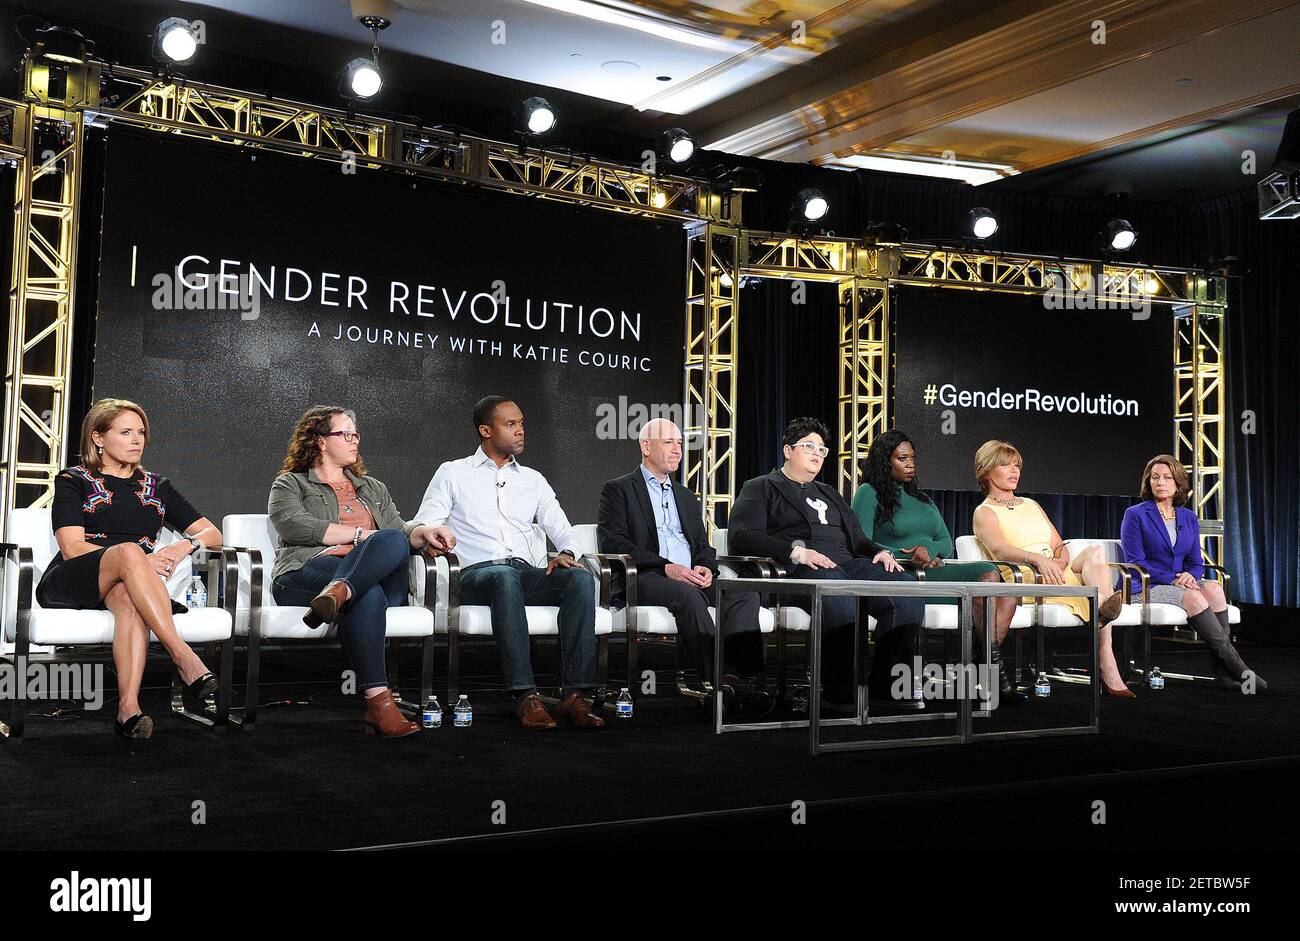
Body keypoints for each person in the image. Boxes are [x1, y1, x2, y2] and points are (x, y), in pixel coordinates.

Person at [38, 398, 223, 740]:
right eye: (125, 432)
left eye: (140, 432)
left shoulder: (157, 486)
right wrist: (138, 559)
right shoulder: (73, 480)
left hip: (131, 582)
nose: (137, 440)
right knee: (129, 553)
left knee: (129, 599)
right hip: (74, 577)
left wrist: (184, 546)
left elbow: (212, 534)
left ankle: (128, 710)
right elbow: (72, 547)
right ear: (98, 438)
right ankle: (182, 654)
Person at [415, 395, 605, 730]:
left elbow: (565, 531)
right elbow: (426, 520)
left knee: (579, 580)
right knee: (503, 575)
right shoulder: (453, 473)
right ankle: (524, 695)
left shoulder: (533, 480)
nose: (520, 431)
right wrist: (433, 532)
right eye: (510, 424)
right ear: (486, 430)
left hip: (522, 572)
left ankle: (575, 695)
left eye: (521, 423)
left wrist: (567, 554)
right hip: (475, 574)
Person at [269, 405, 451, 737]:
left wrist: (422, 532)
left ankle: (340, 591)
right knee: (368, 591)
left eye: (356, 435)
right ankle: (380, 705)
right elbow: (295, 525)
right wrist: (360, 536)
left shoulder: (373, 488)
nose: (355, 441)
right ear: (321, 441)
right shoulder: (291, 485)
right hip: (308, 572)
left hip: (370, 580)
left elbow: (398, 532)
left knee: (393, 539)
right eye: (346, 434)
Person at [729, 417, 925, 712]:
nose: (816, 454)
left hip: (846, 563)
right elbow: (742, 536)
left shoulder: (829, 493)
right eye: (809, 446)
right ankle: (839, 691)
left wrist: (879, 552)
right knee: (838, 589)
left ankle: (887, 684)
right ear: (787, 450)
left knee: (907, 589)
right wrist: (796, 552)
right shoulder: (761, 487)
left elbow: (859, 541)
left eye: (822, 450)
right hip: (797, 569)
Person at [597, 417, 770, 715]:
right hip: (647, 576)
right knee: (687, 596)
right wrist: (666, 567)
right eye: (669, 443)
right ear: (646, 446)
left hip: (691, 574)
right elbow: (613, 543)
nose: (677, 450)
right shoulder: (619, 489)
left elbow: (703, 545)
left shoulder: (686, 497)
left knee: (744, 593)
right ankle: (717, 683)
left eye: (679, 443)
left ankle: (730, 681)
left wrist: (705, 567)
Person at [851, 430, 1026, 705]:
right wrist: (907, 555)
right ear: (886, 461)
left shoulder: (922, 499)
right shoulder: (868, 493)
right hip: (900, 574)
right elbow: (860, 542)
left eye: (913, 458)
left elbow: (945, 541)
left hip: (933, 570)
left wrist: (930, 551)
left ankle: (987, 673)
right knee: (990, 587)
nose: (910, 464)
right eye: (902, 458)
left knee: (990, 574)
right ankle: (993, 681)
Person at [970, 440, 1131, 697]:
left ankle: (1101, 606)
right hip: (1026, 574)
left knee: (1096, 554)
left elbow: (1058, 545)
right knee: (1094, 591)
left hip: (1053, 570)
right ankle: (1104, 639)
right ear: (987, 470)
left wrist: (1059, 561)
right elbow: (1000, 550)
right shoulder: (984, 512)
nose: (1014, 471)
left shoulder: (1031, 504)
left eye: (1017, 465)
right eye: (1005, 465)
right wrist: (1037, 559)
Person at [1120, 455, 1265, 692]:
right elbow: (1136, 562)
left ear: (1178, 483)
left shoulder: (1188, 517)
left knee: (1216, 590)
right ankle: (1238, 668)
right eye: (1155, 477)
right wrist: (1175, 578)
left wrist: (1189, 576)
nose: (1160, 482)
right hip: (1143, 585)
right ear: (1148, 482)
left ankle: (1223, 674)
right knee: (1195, 597)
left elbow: (1195, 562)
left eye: (1167, 477)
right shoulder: (1136, 514)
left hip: (1179, 583)